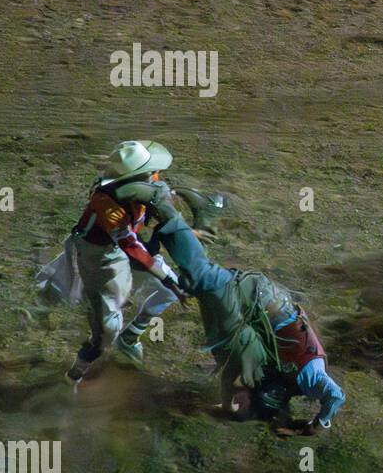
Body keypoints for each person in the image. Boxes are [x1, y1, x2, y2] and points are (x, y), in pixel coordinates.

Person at [128, 183, 345, 434]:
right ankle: (162, 202)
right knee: (201, 277)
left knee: (198, 287)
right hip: (256, 299)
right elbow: (336, 396)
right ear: (257, 392)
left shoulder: (262, 372)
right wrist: (318, 425)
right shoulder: (308, 373)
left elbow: (232, 379)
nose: (237, 402)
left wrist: (228, 406)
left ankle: (204, 219)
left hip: (253, 310)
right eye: (243, 401)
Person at [66, 141, 187, 383]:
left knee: (167, 291)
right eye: (151, 172)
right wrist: (166, 278)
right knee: (106, 333)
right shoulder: (106, 202)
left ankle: (130, 338)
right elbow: (129, 244)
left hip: (123, 249)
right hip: (100, 259)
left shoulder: (139, 187)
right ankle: (75, 375)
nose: (156, 176)